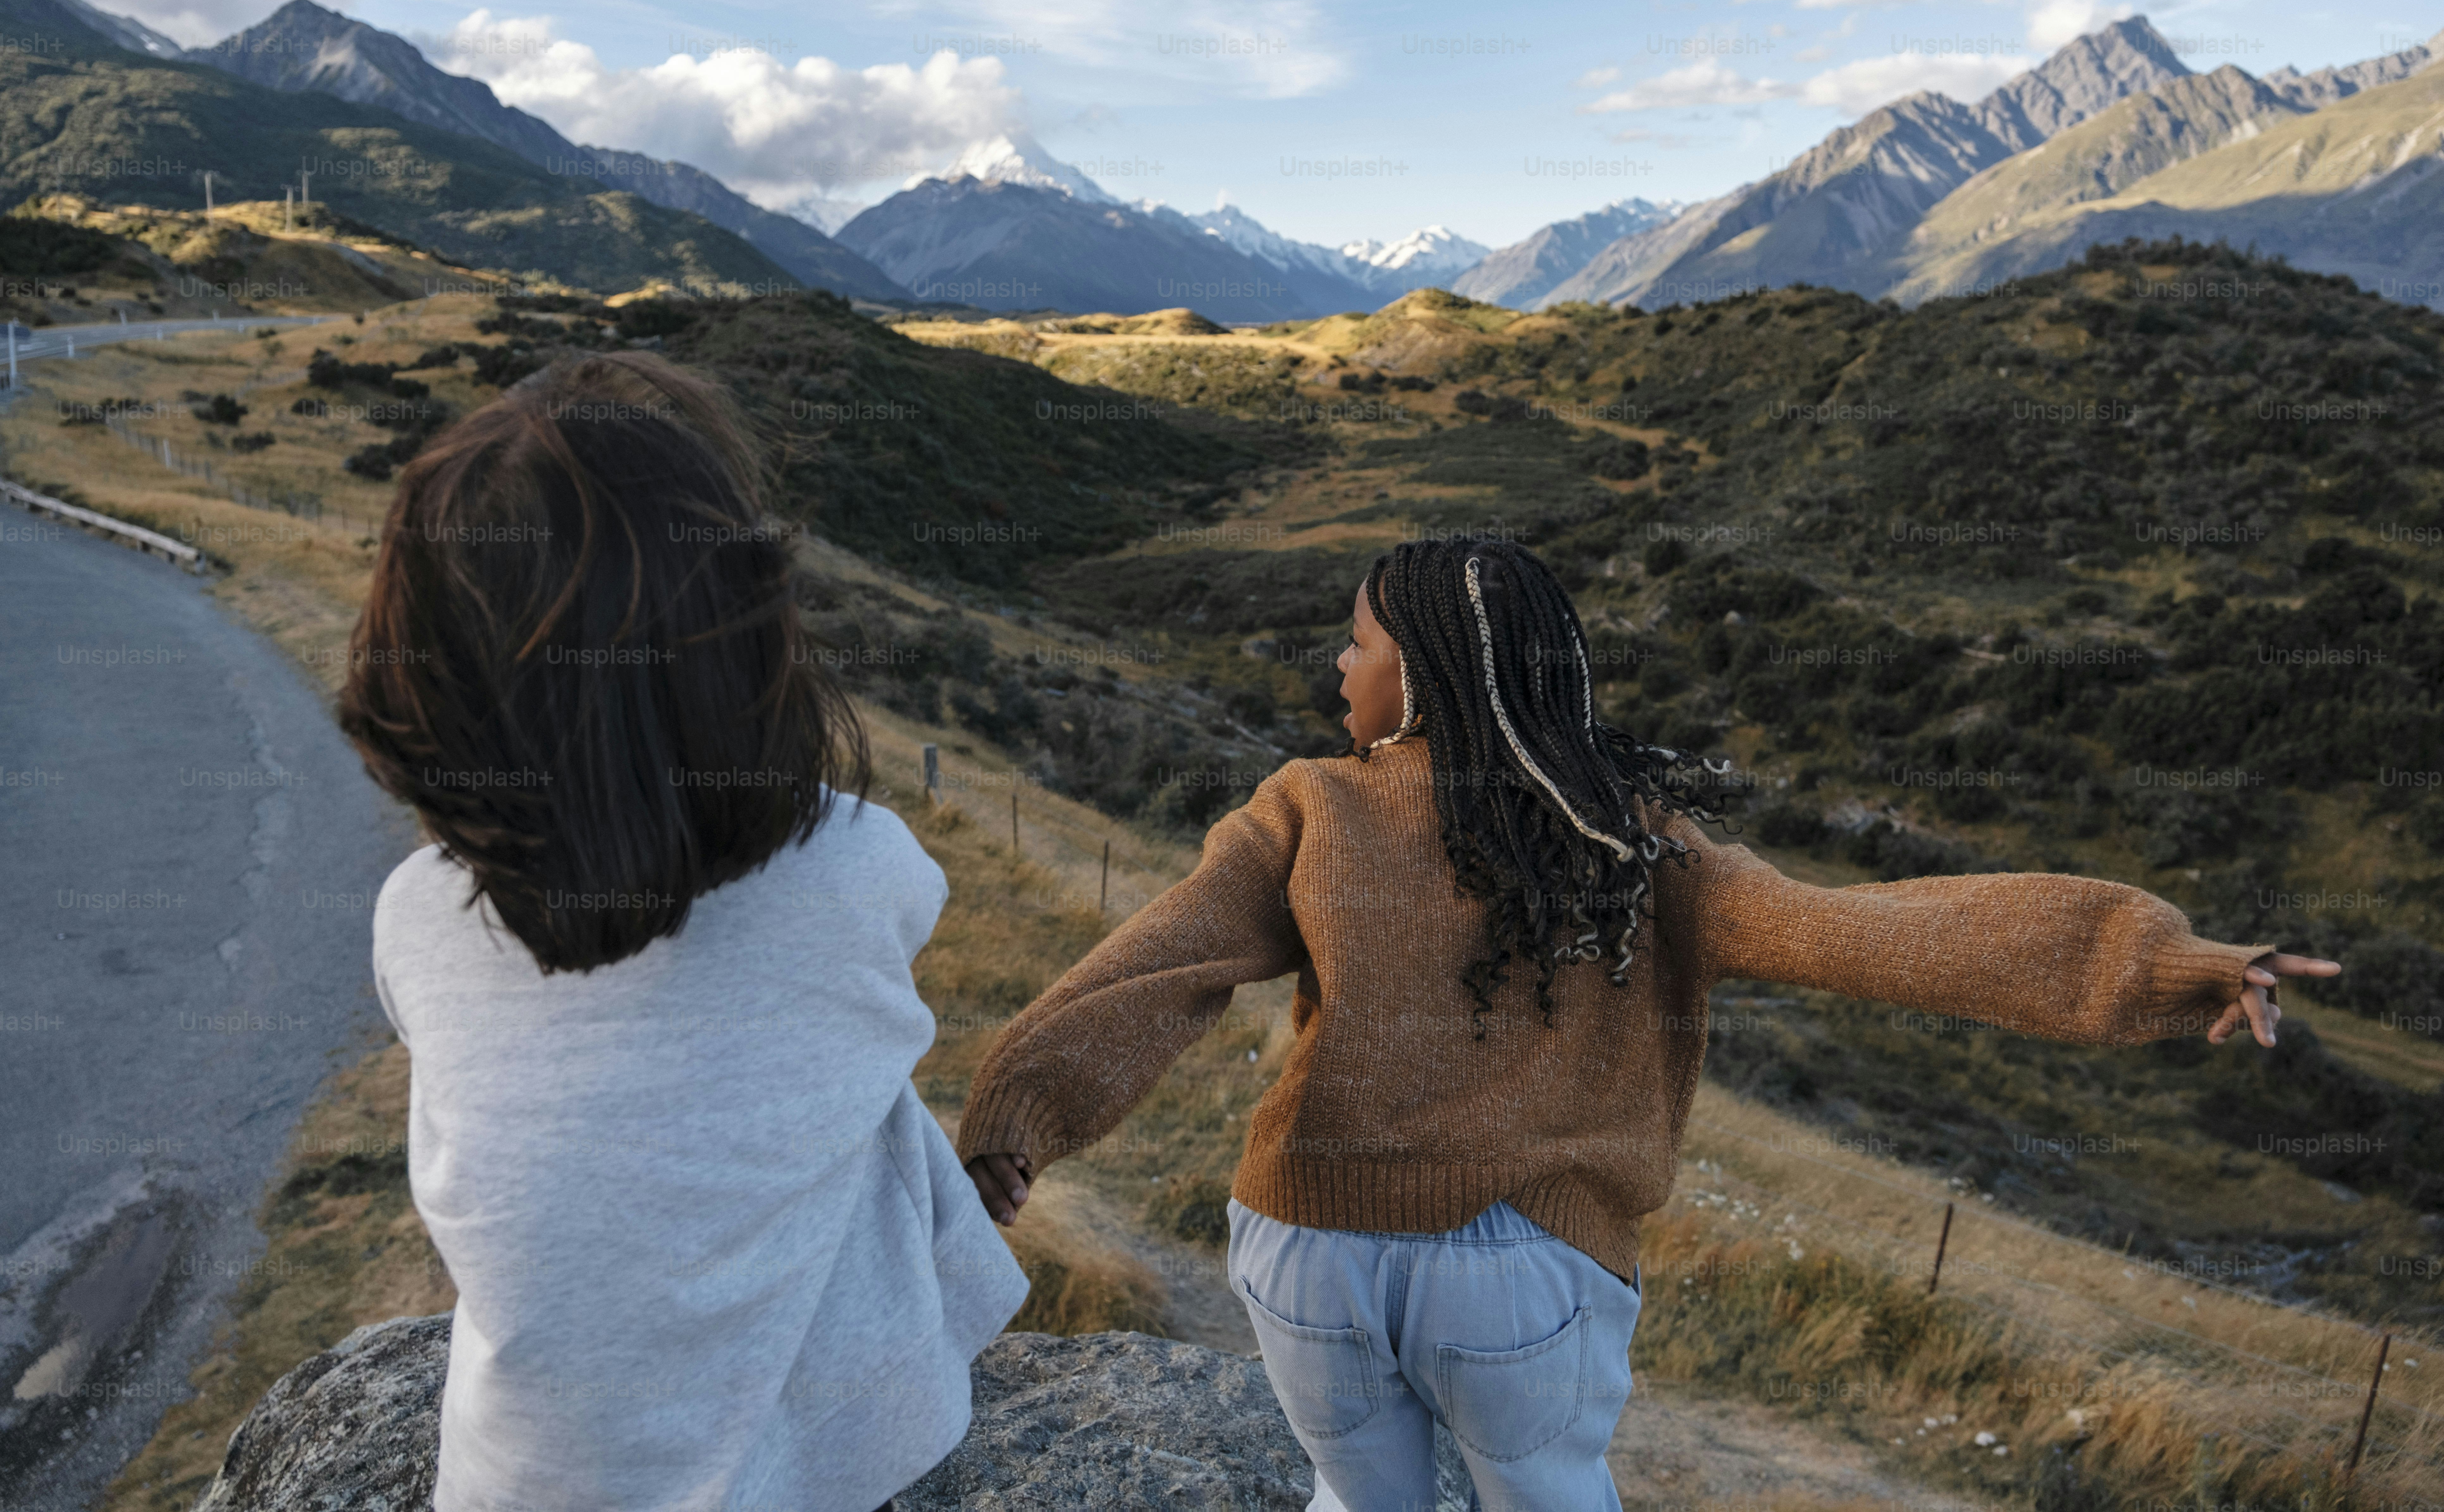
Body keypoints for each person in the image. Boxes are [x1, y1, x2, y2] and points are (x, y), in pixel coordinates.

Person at [959, 535, 2336, 1511]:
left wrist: (1022, 1111)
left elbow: (1173, 960)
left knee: (1356, 1499)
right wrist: (2165, 965)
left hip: (1307, 1245)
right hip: (1521, 1274)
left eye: (1361, 642)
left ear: (1426, 674)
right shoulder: (1637, 843)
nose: (1339, 661)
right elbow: (1884, 932)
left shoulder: (1309, 804)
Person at [341, 352, 1028, 1512]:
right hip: (838, 1460)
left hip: (524, 1477)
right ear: (745, 653)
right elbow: (866, 953)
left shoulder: (414, 913)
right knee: (857, 1085)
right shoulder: (861, 864)